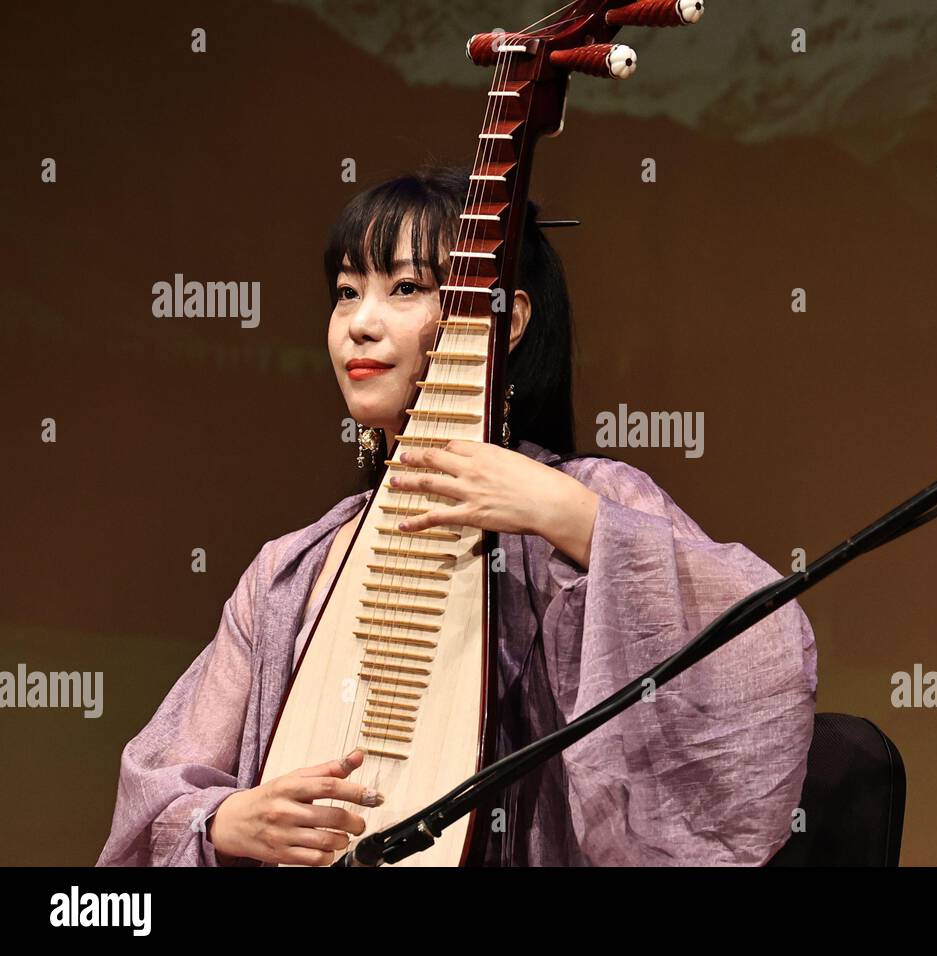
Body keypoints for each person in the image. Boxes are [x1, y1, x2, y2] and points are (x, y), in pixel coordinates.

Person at [96, 165, 818, 867]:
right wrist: (225, 820)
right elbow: (160, 782)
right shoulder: (292, 569)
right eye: (347, 293)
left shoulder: (594, 497)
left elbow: (760, 649)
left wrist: (573, 517)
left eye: (405, 287)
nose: (361, 324)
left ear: (501, 326)